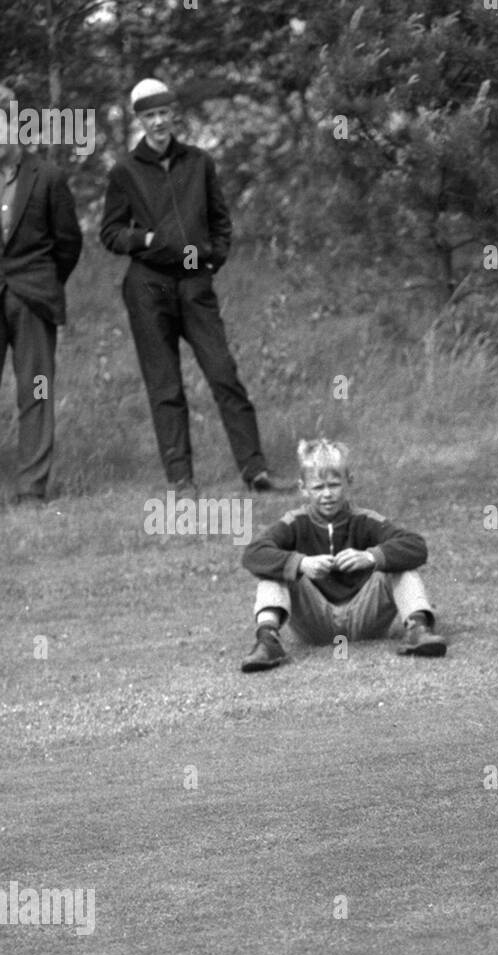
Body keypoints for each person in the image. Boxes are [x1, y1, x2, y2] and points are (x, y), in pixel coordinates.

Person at [100, 78, 285, 498]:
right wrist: (145, 240)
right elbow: (109, 233)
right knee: (165, 386)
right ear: (140, 121)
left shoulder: (199, 162)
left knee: (224, 374)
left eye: (164, 113)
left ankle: (256, 471)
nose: (159, 122)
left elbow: (221, 220)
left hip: (194, 284)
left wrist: (210, 260)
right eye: (150, 116)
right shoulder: (125, 172)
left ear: (173, 114)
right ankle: (181, 480)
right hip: (148, 287)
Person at [239, 439, 447, 672]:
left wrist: (370, 557)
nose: (327, 494)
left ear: (349, 481)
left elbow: (416, 546)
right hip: (315, 621)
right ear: (303, 488)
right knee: (275, 570)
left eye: (334, 485)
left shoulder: (366, 520)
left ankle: (418, 630)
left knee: (399, 564)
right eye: (318, 487)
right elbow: (253, 553)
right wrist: (301, 563)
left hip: (365, 617)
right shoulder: (294, 522)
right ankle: (267, 640)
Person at [0, 86, 83, 505]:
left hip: (33, 299)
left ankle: (32, 487)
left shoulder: (47, 177)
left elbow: (68, 243)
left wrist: (45, 282)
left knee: (35, 389)